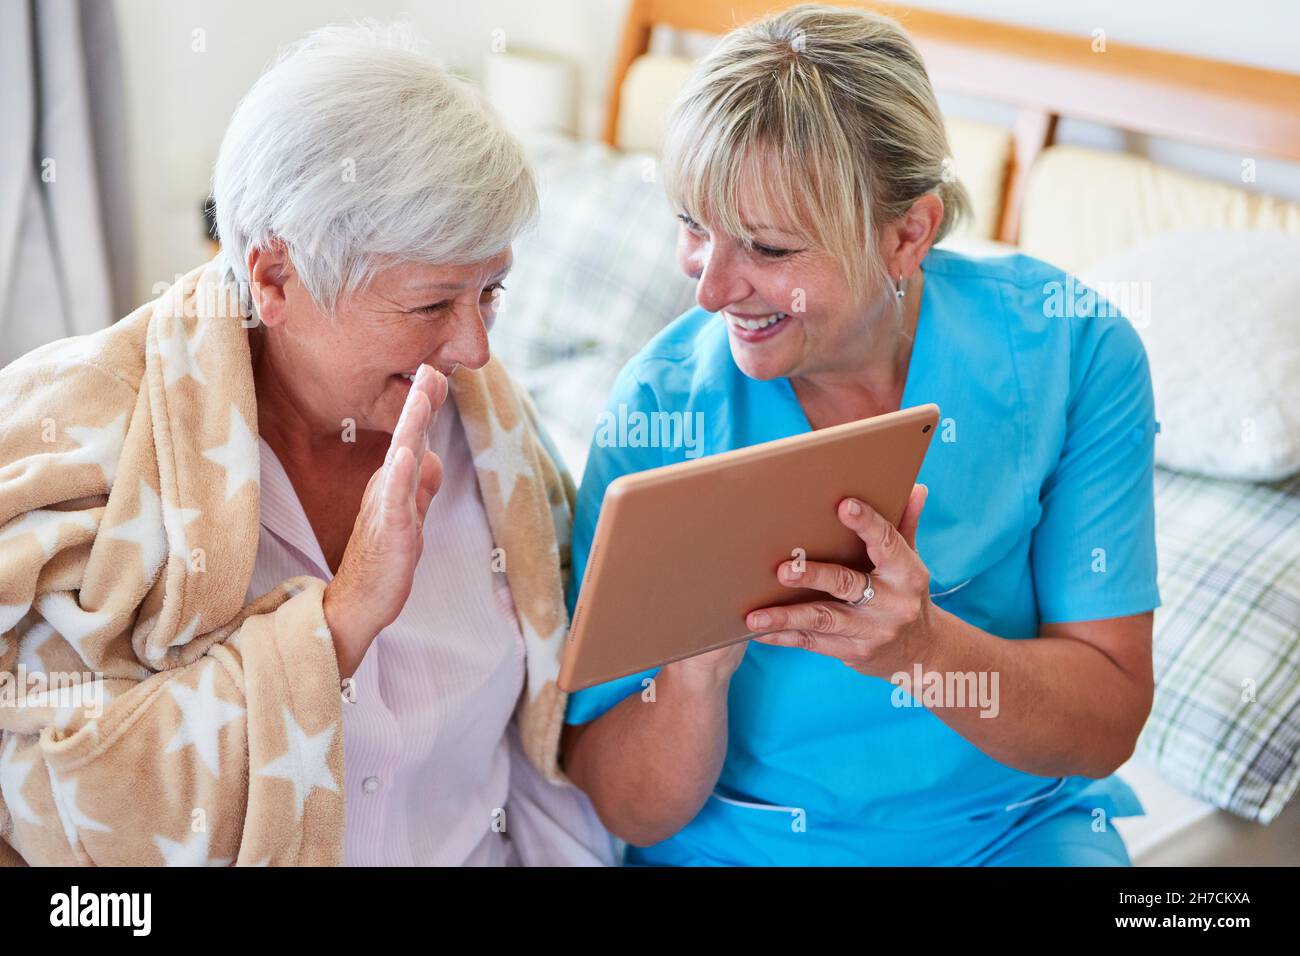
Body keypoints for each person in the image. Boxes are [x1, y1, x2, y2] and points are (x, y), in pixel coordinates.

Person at [0, 22, 611, 867]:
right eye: (433, 305)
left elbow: (549, 746)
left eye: (493, 292)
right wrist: (339, 620)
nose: (475, 350)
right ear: (274, 278)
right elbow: (65, 803)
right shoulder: (77, 449)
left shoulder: (490, 427)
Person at [561, 4, 1159, 866]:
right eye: (694, 226)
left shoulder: (1073, 352)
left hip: (1011, 834)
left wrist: (922, 648)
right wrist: (693, 673)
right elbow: (620, 805)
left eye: (767, 247)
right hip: (746, 845)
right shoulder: (660, 413)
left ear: (906, 234)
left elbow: (1107, 722)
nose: (712, 290)